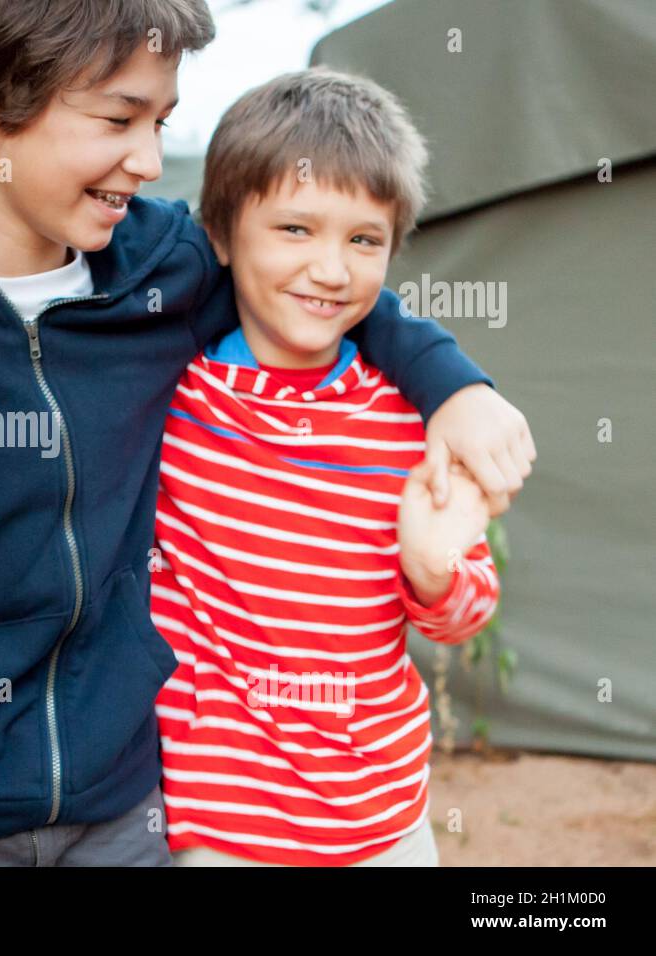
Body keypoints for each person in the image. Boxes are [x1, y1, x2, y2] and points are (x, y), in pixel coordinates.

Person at [0, 0, 534, 867]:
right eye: (119, 117)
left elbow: (316, 286)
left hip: (125, 815)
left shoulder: (169, 270)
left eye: (162, 122)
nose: (149, 161)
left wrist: (456, 388)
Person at [154, 68, 501, 867]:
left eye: (363, 240)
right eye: (295, 230)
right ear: (221, 233)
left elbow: (465, 610)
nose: (333, 270)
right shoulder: (173, 401)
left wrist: (434, 570)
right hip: (221, 831)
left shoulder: (416, 420)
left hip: (386, 828)